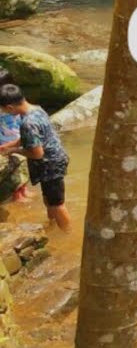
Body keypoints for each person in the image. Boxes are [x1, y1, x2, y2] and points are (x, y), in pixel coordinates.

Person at [0, 85, 71, 231]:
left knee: (57, 204)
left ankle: (66, 233)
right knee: (49, 199)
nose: (3, 112)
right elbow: (31, 138)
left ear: (9, 107)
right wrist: (9, 145)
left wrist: (14, 150)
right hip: (57, 158)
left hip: (51, 164)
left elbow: (37, 153)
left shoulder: (28, 123)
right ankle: (51, 226)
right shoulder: (36, 109)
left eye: (3, 109)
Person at [0, 70, 29, 204]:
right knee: (14, 167)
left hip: (17, 137)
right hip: (6, 141)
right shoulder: (9, 102)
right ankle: (18, 194)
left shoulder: (11, 101)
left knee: (21, 165)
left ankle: (23, 190)